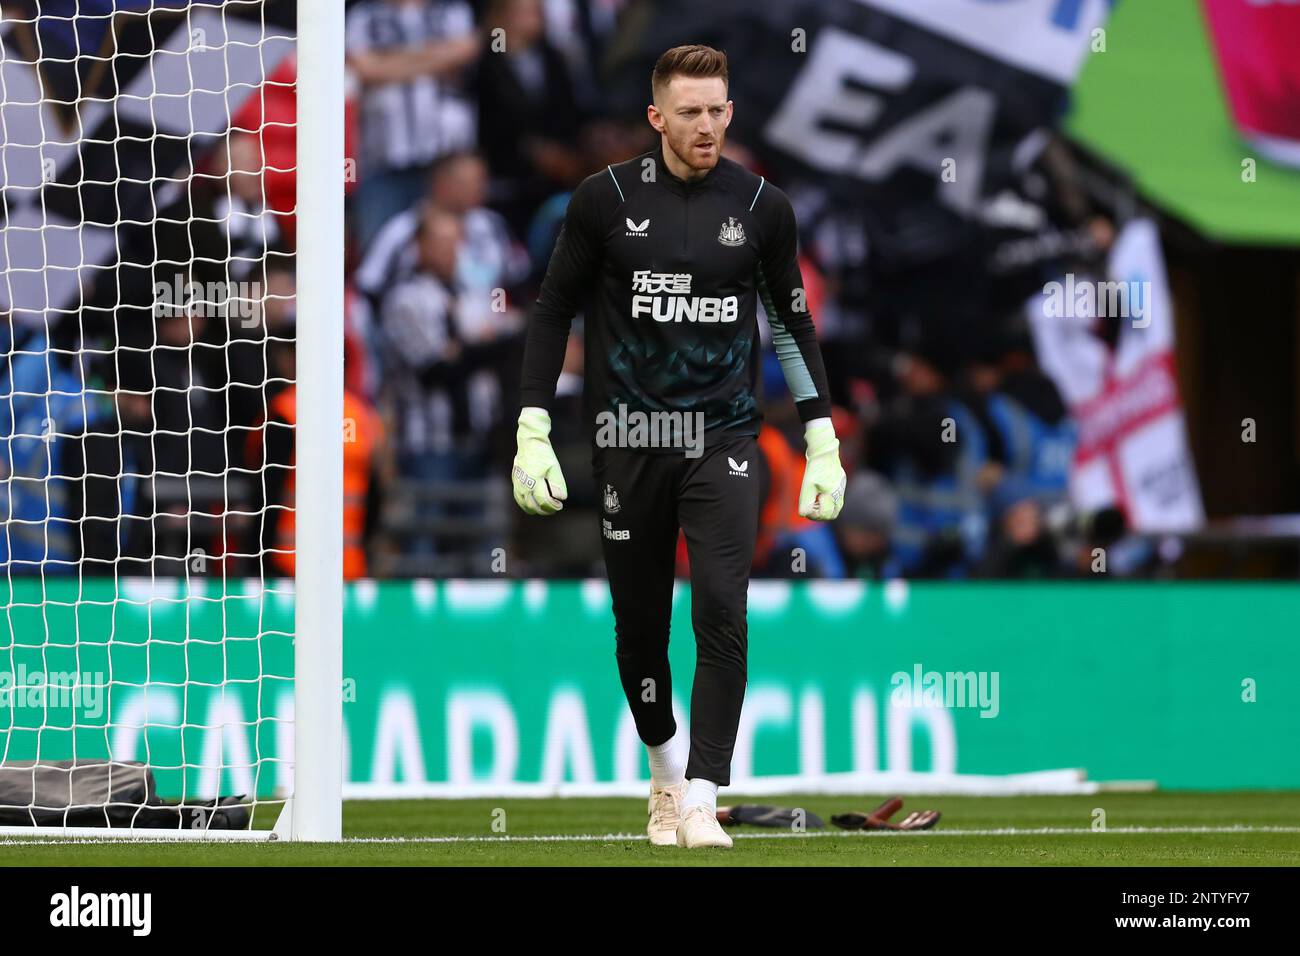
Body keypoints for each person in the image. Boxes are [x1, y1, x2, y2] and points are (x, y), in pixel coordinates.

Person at [510, 45, 845, 849]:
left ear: (731, 112)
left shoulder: (764, 208)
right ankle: (663, 774)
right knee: (639, 628)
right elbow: (552, 311)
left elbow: (791, 325)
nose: (706, 125)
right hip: (628, 436)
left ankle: (701, 795)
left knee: (723, 608)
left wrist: (821, 433)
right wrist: (531, 428)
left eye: (717, 109)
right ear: (657, 118)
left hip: (723, 435)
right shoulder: (602, 201)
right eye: (689, 111)